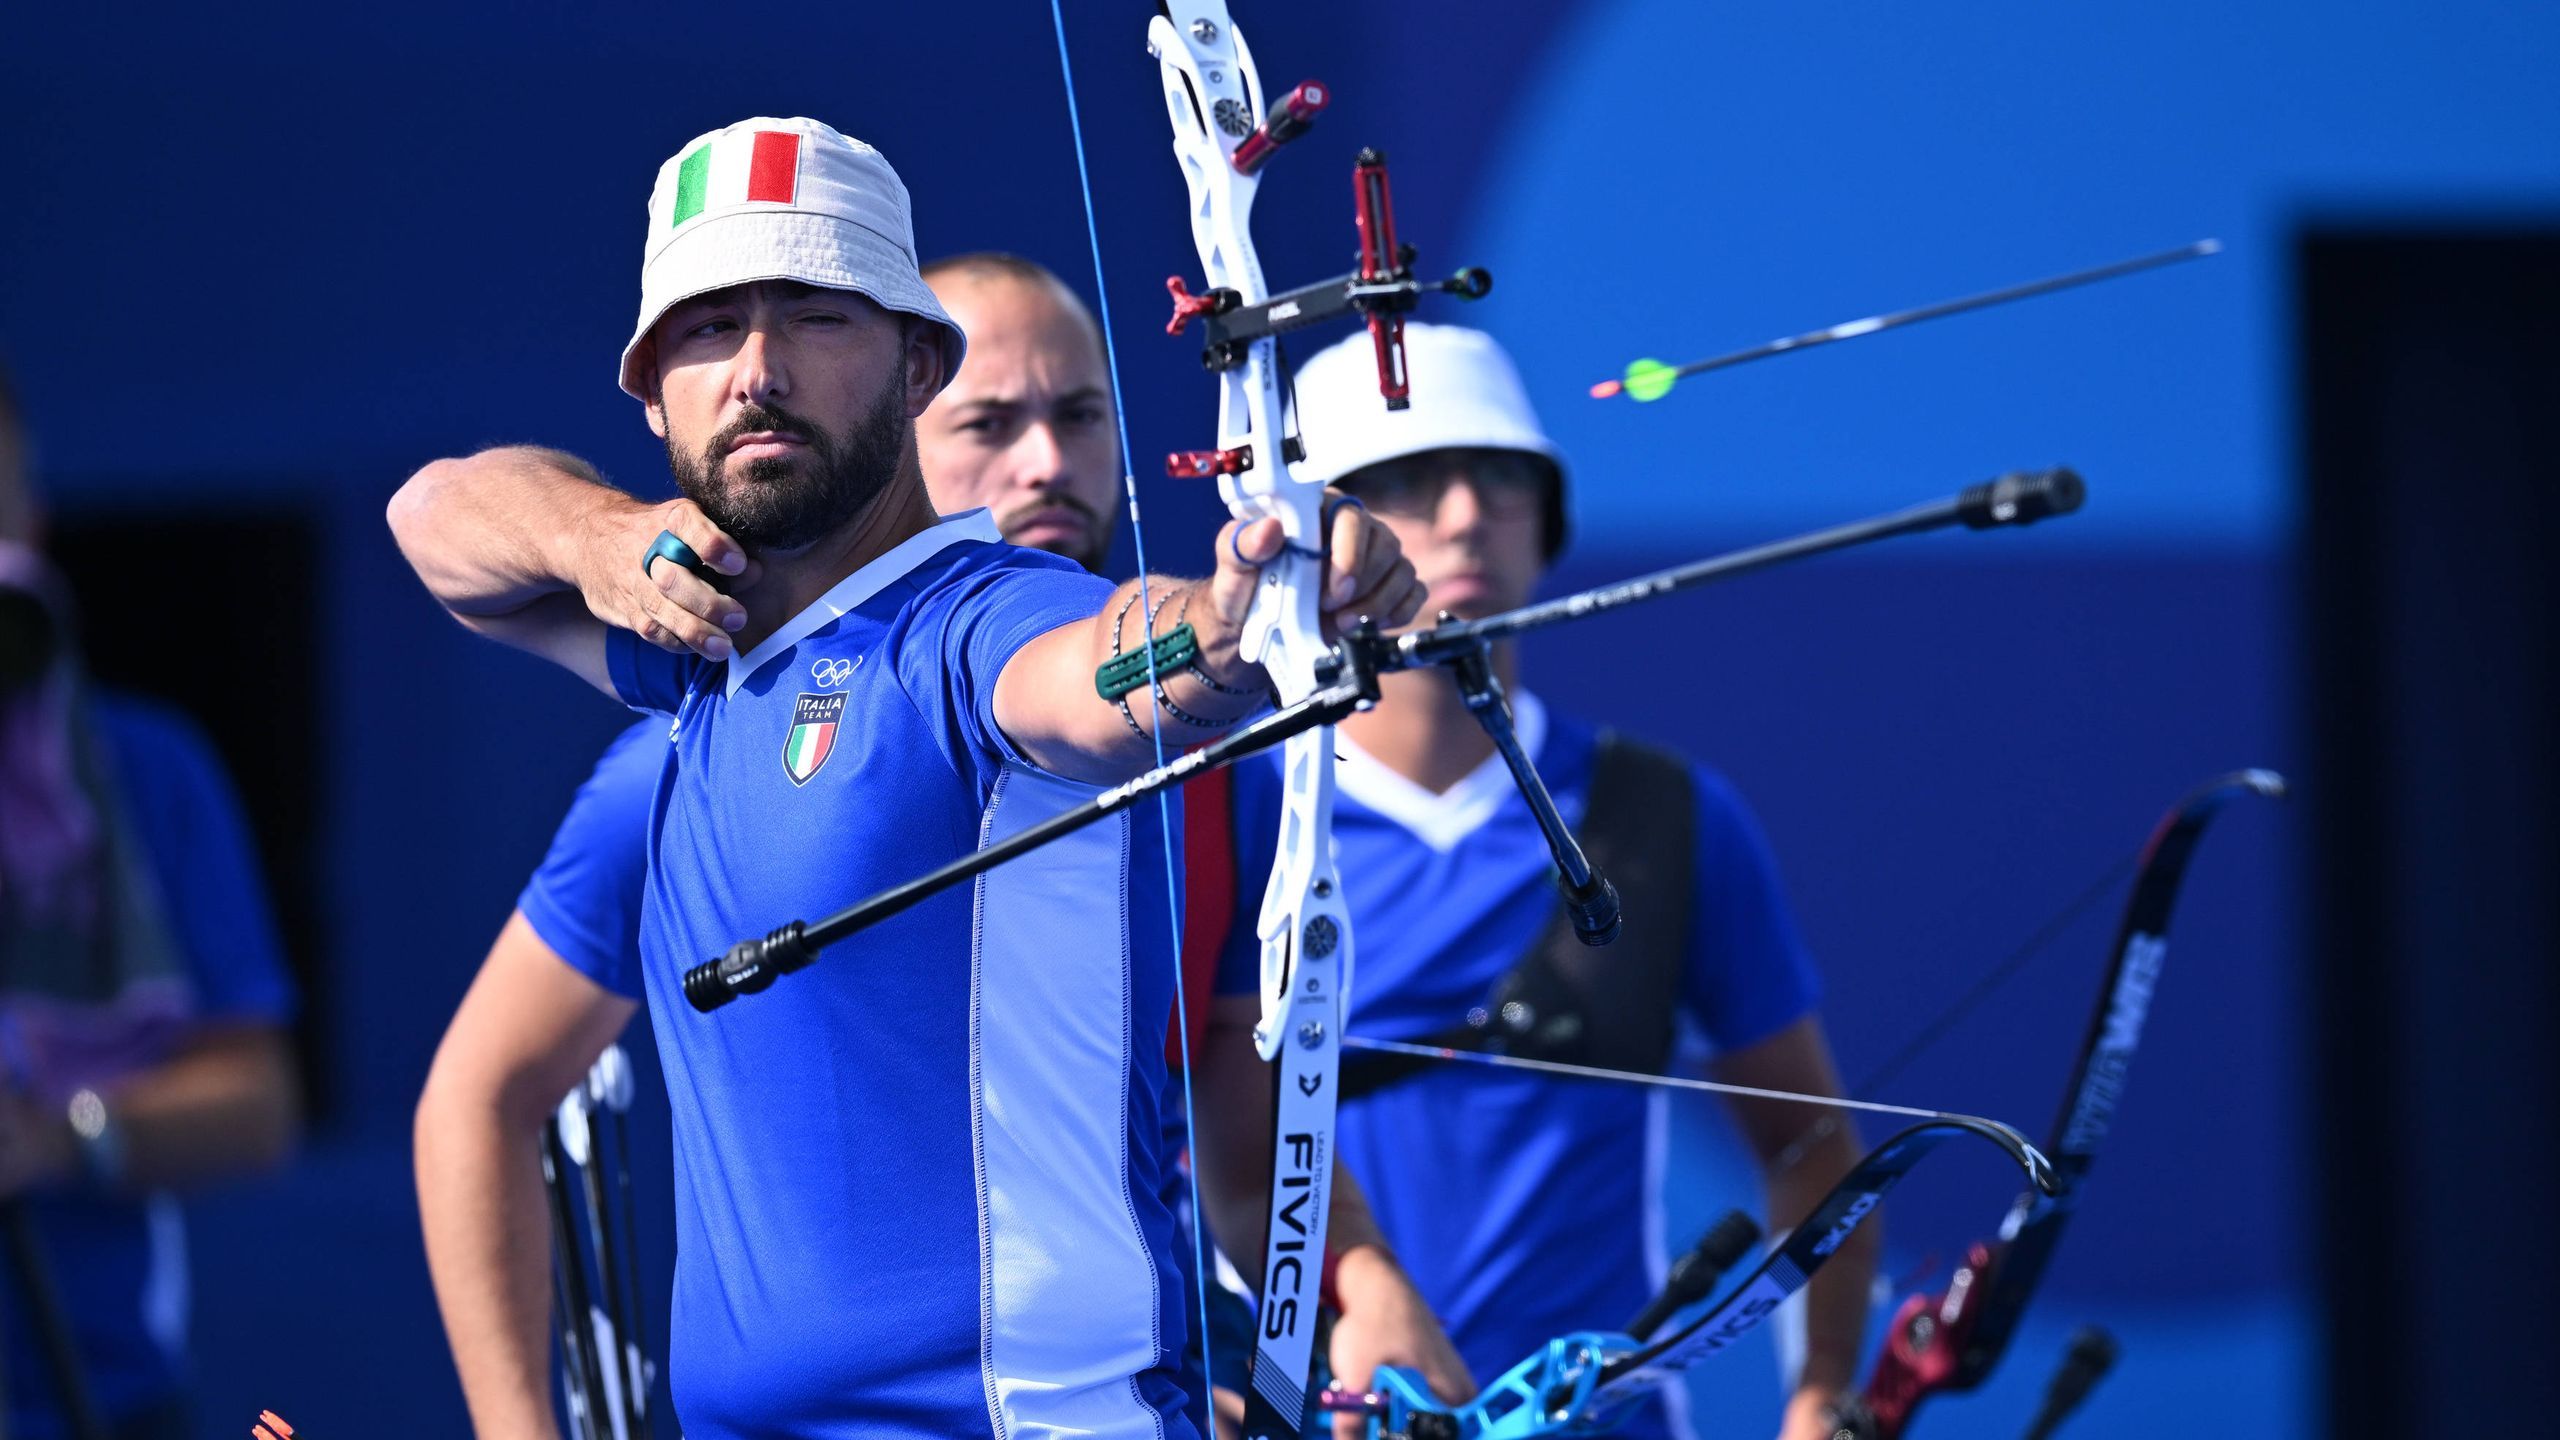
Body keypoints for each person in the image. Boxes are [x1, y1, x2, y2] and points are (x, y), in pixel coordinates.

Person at [394, 117, 1436, 1440]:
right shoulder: (691, 656)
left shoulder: (977, 624)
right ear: (652, 392)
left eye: (817, 317)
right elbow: (431, 516)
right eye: (710, 330)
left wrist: (1243, 618)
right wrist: (601, 536)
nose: (759, 371)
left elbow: (1104, 674)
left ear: (916, 365)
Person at [1204, 324, 1878, 1440]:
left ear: (1547, 521)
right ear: (1311, 534)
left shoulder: (1667, 816)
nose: (1466, 515)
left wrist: (1822, 1395)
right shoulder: (1222, 819)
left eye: (1502, 479)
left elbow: (1813, 1151)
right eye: (1408, 483)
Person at [0, 368, 301, 1438]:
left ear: (30, 523)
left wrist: (56, 1137)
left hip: (107, 1399)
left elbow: (259, 1105)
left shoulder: (152, 771)